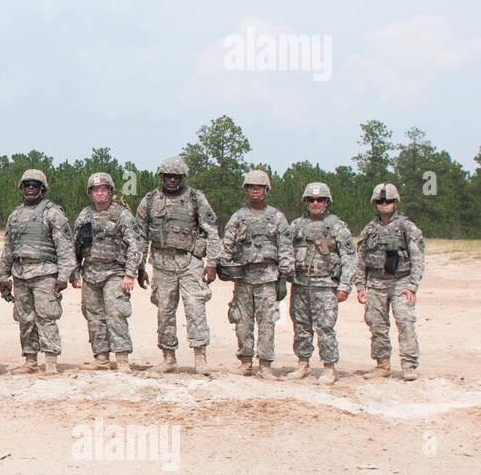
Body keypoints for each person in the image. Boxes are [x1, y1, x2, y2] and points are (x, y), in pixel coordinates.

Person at [135, 156, 222, 375]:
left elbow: (211, 231)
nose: (172, 180)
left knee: (195, 309)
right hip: (162, 264)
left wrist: (212, 263)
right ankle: (168, 358)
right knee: (164, 312)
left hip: (190, 262)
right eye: (168, 176)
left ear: (182, 177)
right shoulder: (150, 200)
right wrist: (139, 266)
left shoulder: (195, 198)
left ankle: (200, 357)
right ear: (161, 177)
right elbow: (140, 236)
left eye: (176, 176)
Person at [0, 169, 75, 375]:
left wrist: (63, 276)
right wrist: (3, 276)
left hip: (45, 274)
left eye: (35, 185)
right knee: (25, 319)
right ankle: (30, 360)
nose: (30, 188)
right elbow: (8, 248)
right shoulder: (15, 215)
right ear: (21, 188)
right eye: (27, 185)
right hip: (20, 274)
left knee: (46, 317)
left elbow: (65, 247)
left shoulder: (53, 213)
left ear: (42, 188)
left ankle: (51, 361)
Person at [219, 170, 294, 379]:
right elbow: (227, 244)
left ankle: (265, 364)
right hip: (243, 278)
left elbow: (286, 248)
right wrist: (222, 266)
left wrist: (283, 278)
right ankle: (245, 361)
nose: (255, 190)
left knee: (267, 322)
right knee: (242, 322)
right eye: (251, 187)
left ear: (266, 190)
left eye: (259, 187)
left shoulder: (277, 217)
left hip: (268, 278)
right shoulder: (238, 217)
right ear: (246, 190)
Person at [70, 173, 143, 372]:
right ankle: (101, 357)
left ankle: (122, 359)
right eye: (96, 190)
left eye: (103, 189)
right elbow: (75, 246)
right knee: (94, 316)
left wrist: (130, 274)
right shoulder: (85, 215)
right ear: (90, 193)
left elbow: (135, 245)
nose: (100, 193)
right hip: (91, 272)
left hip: (114, 272)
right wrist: (74, 272)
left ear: (110, 191)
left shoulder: (121, 214)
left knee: (116, 313)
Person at [286, 182, 356, 384]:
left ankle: (329, 367)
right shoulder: (296, 226)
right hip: (300, 284)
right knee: (300, 326)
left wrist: (344, 286)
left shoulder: (337, 228)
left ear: (327, 202)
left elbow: (349, 257)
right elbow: (284, 250)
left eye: (320, 200)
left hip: (325, 285)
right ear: (306, 202)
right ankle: (303, 363)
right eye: (311, 200)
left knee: (325, 328)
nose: (315, 203)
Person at [354, 183, 426, 381]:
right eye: (380, 201)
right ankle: (382, 364)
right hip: (376, 283)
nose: (384, 204)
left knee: (405, 323)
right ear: (374, 203)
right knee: (376, 324)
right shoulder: (369, 230)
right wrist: (361, 286)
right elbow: (360, 261)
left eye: (388, 201)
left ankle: (409, 365)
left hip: (401, 282)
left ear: (395, 202)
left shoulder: (406, 227)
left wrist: (412, 287)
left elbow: (418, 259)